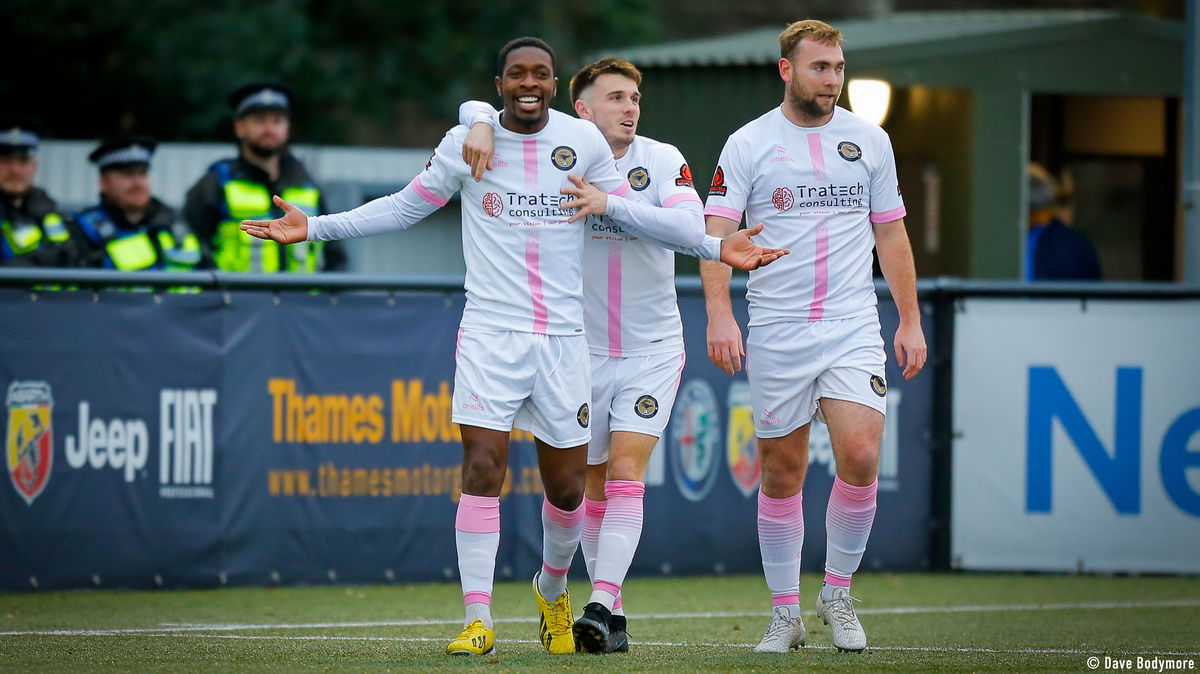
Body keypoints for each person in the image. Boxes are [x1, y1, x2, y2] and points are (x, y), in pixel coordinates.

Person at [241, 37, 782, 657]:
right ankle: (478, 620)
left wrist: (714, 246)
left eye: (540, 74)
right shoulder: (467, 142)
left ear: (554, 86)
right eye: (517, 74)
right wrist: (315, 227)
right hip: (490, 335)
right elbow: (406, 206)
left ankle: (552, 589)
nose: (529, 83)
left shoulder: (581, 145)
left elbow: (631, 215)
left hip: (565, 342)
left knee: (569, 490)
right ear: (499, 85)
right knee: (482, 467)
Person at [456, 58, 789, 654]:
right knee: (582, 488)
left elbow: (686, 227)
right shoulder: (559, 158)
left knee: (627, 475)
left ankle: (604, 606)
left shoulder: (661, 159)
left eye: (634, 97)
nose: (630, 108)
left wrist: (610, 204)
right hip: (576, 349)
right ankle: (555, 587)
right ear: (582, 109)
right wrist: (479, 115)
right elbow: (490, 115)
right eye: (615, 97)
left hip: (651, 348)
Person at [701, 19, 927, 654]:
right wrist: (720, 313)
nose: (832, 80)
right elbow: (716, 235)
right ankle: (785, 613)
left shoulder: (870, 140)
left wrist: (910, 319)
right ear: (787, 70)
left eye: (838, 68)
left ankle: (838, 592)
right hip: (777, 326)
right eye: (819, 67)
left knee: (861, 453)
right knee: (782, 470)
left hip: (853, 323)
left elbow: (891, 234)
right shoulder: (748, 143)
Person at [183, 82, 346, 273]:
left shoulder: (307, 185)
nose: (269, 129)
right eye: (260, 120)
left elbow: (335, 256)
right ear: (239, 127)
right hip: (238, 293)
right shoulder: (216, 184)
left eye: (277, 121)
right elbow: (193, 254)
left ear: (287, 128)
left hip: (302, 293)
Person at [71, 136, 205, 271]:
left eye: (142, 174)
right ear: (104, 182)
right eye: (127, 175)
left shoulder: (177, 223)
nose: (138, 184)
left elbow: (208, 271)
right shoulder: (82, 230)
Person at [0, 117, 79, 267]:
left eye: (23, 161)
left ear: (34, 166)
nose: (15, 170)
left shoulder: (51, 214)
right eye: (5, 161)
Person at [1025, 162, 1101, 281]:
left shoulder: (1069, 245)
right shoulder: (1075, 243)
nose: (1065, 211)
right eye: (1061, 202)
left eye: (1064, 202)